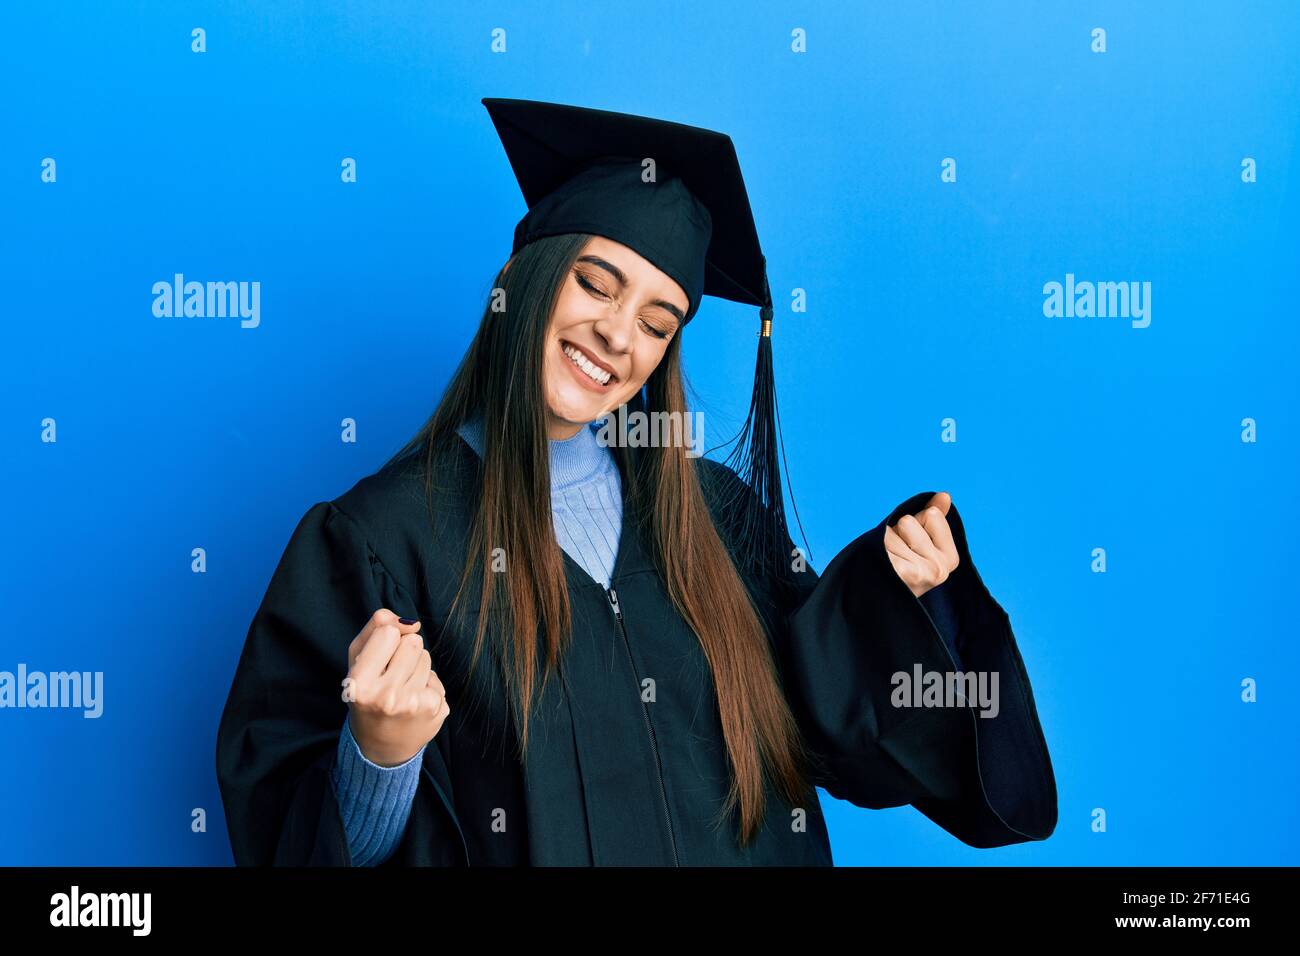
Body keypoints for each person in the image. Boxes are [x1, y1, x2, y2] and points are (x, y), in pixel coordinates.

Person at [215, 98, 1057, 866]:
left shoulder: (716, 518)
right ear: (527, 280)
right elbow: (290, 843)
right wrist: (379, 756)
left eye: (659, 324)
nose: (618, 336)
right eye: (594, 283)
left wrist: (891, 595)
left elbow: (830, 735)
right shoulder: (380, 541)